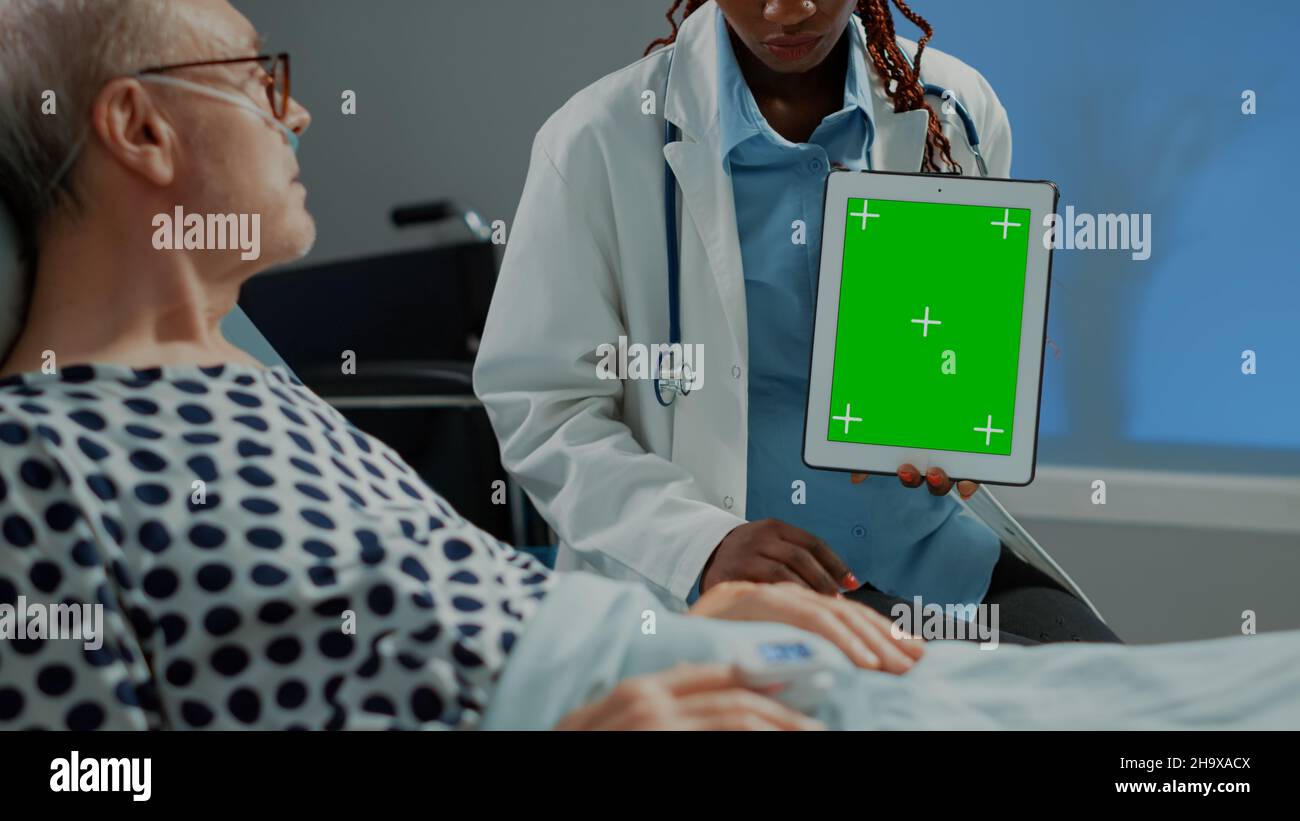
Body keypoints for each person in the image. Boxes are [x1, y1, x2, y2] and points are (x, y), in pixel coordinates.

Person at [2, 0, 1296, 734]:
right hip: (646, 668)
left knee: (1187, 696)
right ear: (136, 127)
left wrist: (671, 619)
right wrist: (676, 591)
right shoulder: (42, 460)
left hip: (719, 629)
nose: (295, 109)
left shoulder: (252, 380)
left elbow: (476, 576)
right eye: (257, 74)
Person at [472, 0, 1117, 643]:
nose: (789, 10)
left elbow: (942, 342)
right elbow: (545, 408)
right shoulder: (597, 137)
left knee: (1114, 692)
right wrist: (701, 545)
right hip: (730, 583)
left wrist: (959, 407)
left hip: (932, 556)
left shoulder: (954, 107)